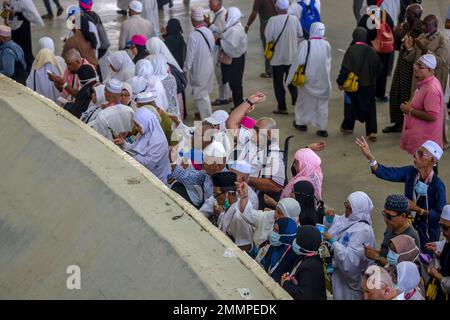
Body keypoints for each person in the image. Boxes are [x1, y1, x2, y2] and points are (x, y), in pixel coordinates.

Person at [357, 136, 447, 250]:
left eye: (420, 154)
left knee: (422, 261)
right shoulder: (411, 173)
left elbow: (440, 215)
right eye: (417, 152)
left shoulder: (438, 186)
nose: (415, 155)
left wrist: (419, 210)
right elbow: (385, 172)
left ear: (432, 161)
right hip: (408, 225)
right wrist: (370, 157)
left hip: (427, 233)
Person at [322, 192, 376, 300]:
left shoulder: (363, 231)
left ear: (358, 210)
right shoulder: (350, 217)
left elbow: (351, 261)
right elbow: (340, 223)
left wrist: (334, 242)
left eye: (349, 209)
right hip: (340, 278)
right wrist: (330, 219)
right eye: (346, 207)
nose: (346, 212)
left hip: (350, 287)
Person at [383, 3, 424, 133]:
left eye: (409, 14)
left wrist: (401, 35)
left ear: (416, 15)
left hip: (412, 69)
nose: (406, 16)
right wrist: (396, 34)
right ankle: (397, 122)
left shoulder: (421, 30)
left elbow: (417, 49)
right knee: (396, 92)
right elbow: (396, 46)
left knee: (407, 96)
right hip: (401, 64)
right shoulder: (406, 26)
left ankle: (406, 124)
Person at [337, 27, 382, 141]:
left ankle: (347, 127)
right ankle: (371, 131)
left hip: (353, 85)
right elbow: (379, 68)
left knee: (350, 105)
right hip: (369, 85)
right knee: (370, 107)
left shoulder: (351, 50)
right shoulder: (372, 50)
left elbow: (345, 69)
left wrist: (340, 82)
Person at [287, 22, 330, 136]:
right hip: (323, 81)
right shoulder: (326, 45)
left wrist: (289, 78)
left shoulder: (305, 44)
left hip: (308, 81)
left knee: (303, 102)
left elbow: (298, 62)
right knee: (322, 105)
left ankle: (301, 123)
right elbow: (328, 63)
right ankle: (322, 128)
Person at [399, 54, 445, 155]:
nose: (416, 69)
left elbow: (432, 116)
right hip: (421, 139)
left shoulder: (431, 89)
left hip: (427, 142)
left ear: (429, 70)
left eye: (420, 67)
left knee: (427, 168)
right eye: (416, 65)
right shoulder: (424, 83)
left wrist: (409, 110)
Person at [113, 108, 171, 184]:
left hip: (158, 179)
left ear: (145, 122)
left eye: (138, 125)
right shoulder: (145, 132)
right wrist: (124, 144)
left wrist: (129, 155)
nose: (136, 128)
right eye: (135, 124)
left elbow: (149, 164)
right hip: (146, 174)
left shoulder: (158, 141)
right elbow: (135, 147)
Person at [265, 0, 303, 115]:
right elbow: (300, 35)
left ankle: (282, 107)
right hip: (292, 58)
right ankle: (297, 106)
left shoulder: (272, 21)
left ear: (277, 8)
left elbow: (268, 38)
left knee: (278, 84)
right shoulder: (294, 19)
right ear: (287, 8)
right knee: (292, 83)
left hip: (277, 59)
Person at [363, 195, 421, 267]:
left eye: (389, 216)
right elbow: (386, 251)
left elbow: (403, 272)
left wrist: (377, 257)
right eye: (384, 214)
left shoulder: (411, 239)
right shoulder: (391, 227)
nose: (385, 219)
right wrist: (375, 253)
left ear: (403, 216)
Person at [358, 1, 395, 102]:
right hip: (385, 50)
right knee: (382, 73)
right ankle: (380, 94)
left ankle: (369, 93)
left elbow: (360, 33)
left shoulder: (366, 18)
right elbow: (392, 29)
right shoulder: (385, 15)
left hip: (371, 50)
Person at [403, 14, 450, 92]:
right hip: (418, 81)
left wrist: (425, 50)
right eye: (423, 24)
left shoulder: (443, 42)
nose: (423, 27)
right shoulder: (422, 36)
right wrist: (409, 48)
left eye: (426, 25)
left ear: (435, 26)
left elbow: (440, 62)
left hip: (433, 83)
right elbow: (413, 58)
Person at [184, 6, 215, 120]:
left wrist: (185, 69)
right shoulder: (209, 31)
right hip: (209, 67)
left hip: (199, 69)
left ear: (192, 19)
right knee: (204, 93)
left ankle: (208, 120)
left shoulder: (194, 35)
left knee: (201, 96)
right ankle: (203, 115)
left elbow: (190, 56)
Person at [212, 172, 255, 253]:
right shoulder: (229, 207)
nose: (215, 198)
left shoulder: (238, 217)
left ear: (229, 193)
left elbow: (245, 247)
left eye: (217, 194)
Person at [280, 225, 327, 300]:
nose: (294, 240)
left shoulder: (312, 266)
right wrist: (290, 279)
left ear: (305, 242)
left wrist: (285, 283)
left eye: (297, 238)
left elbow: (303, 296)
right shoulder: (304, 257)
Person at [2, 0, 44, 73]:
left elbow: (31, 13)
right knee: (15, 46)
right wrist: (7, 6)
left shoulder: (25, 1)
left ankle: (27, 69)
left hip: (23, 27)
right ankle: (17, 65)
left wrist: (17, 13)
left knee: (25, 48)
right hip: (13, 25)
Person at [220, 7, 247, 108]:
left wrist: (220, 42)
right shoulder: (237, 27)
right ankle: (238, 105)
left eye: (227, 14)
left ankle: (238, 108)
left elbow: (230, 47)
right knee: (235, 84)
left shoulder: (234, 30)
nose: (225, 16)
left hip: (234, 61)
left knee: (235, 84)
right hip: (239, 59)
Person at [206, 0, 232, 106]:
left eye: (212, 3)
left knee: (220, 73)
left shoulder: (222, 16)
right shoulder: (219, 14)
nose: (209, 5)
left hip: (221, 49)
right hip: (219, 48)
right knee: (223, 73)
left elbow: (221, 33)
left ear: (219, 4)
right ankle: (228, 95)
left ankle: (223, 97)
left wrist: (209, 24)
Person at [257, 217, 297, 283]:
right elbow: (262, 264)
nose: (272, 232)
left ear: (285, 236)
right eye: (273, 229)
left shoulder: (291, 256)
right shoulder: (274, 245)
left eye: (276, 230)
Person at [245, 0, 277, 78]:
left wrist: (248, 24)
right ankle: (278, 69)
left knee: (267, 47)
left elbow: (254, 13)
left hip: (266, 25)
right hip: (277, 23)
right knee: (277, 46)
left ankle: (269, 71)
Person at [426, 205, 450, 300]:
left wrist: (436, 275)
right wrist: (441, 256)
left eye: (444, 227)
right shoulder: (447, 240)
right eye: (440, 225)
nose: (441, 231)